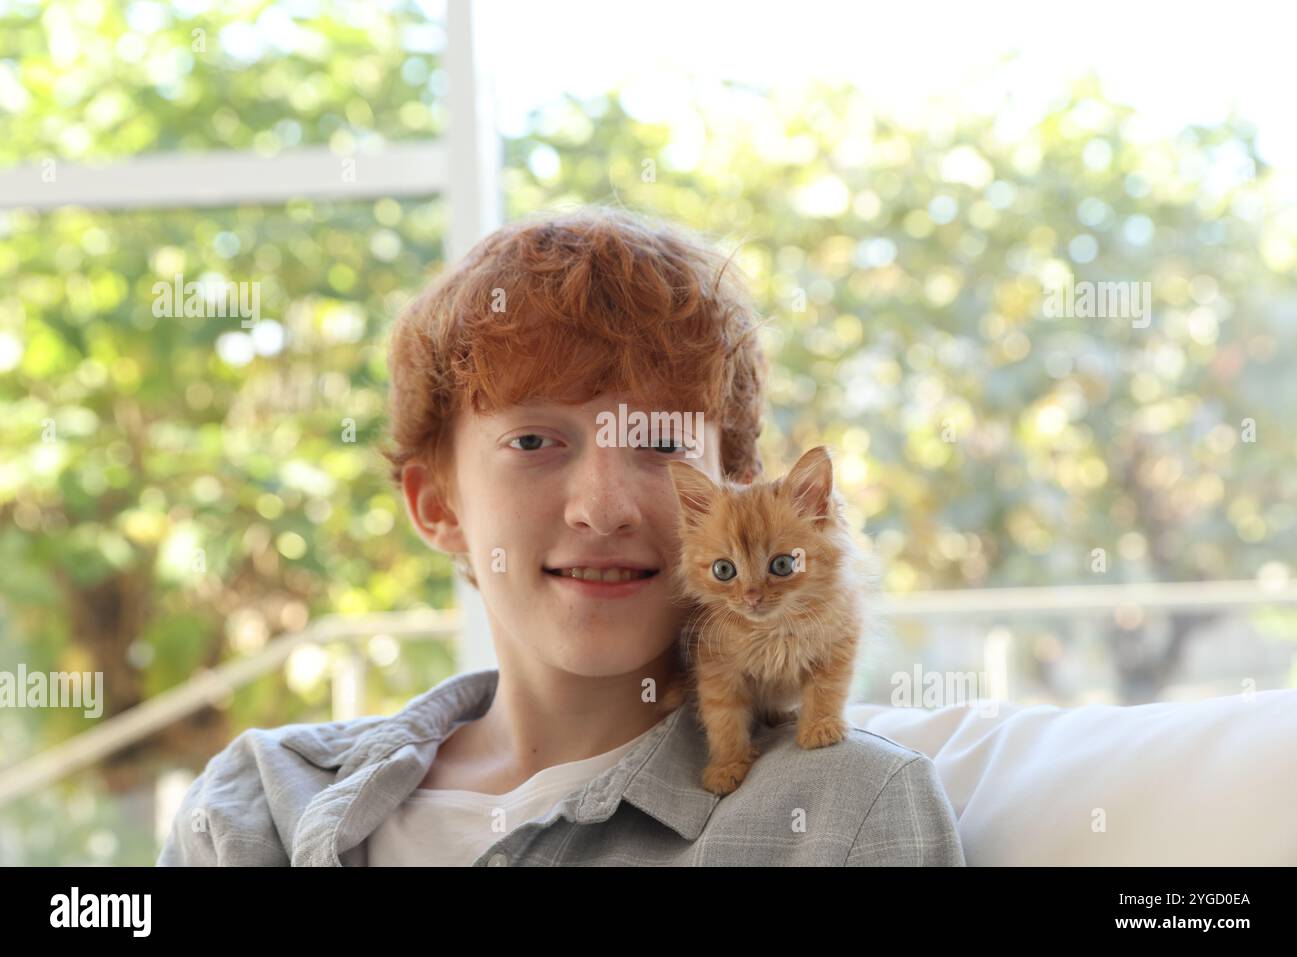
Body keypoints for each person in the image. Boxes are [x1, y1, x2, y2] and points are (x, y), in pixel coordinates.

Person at [157, 206, 965, 866]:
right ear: (438, 507)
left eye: (657, 443)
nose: (603, 506)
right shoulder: (254, 804)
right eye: (535, 442)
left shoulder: (843, 811)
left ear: (739, 491)